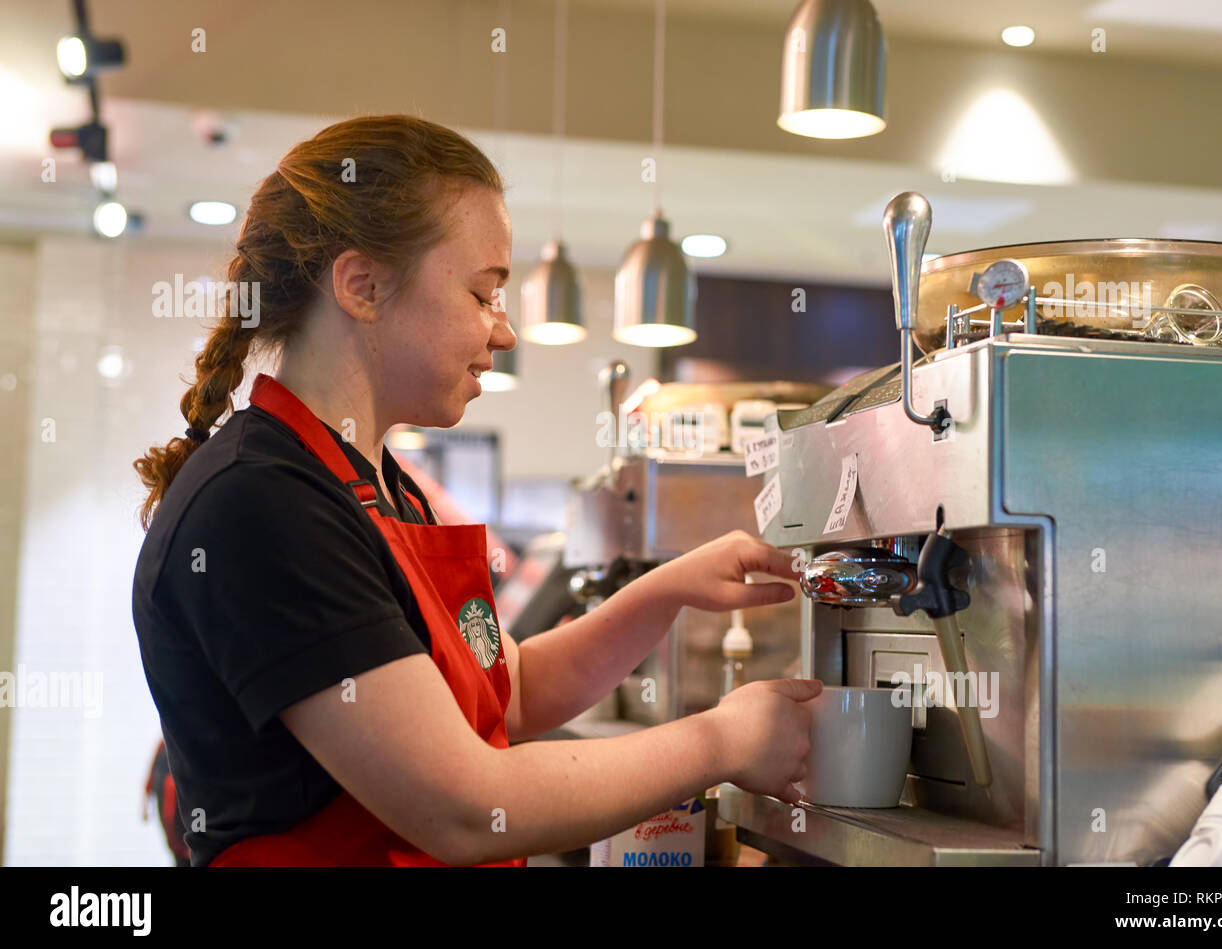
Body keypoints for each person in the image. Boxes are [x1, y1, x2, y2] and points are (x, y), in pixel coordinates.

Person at [131, 115, 819, 867]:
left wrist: (664, 591)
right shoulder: (263, 505)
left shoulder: (380, 485)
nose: (505, 332)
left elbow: (511, 690)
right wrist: (721, 741)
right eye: (484, 293)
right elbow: (465, 807)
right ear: (363, 286)